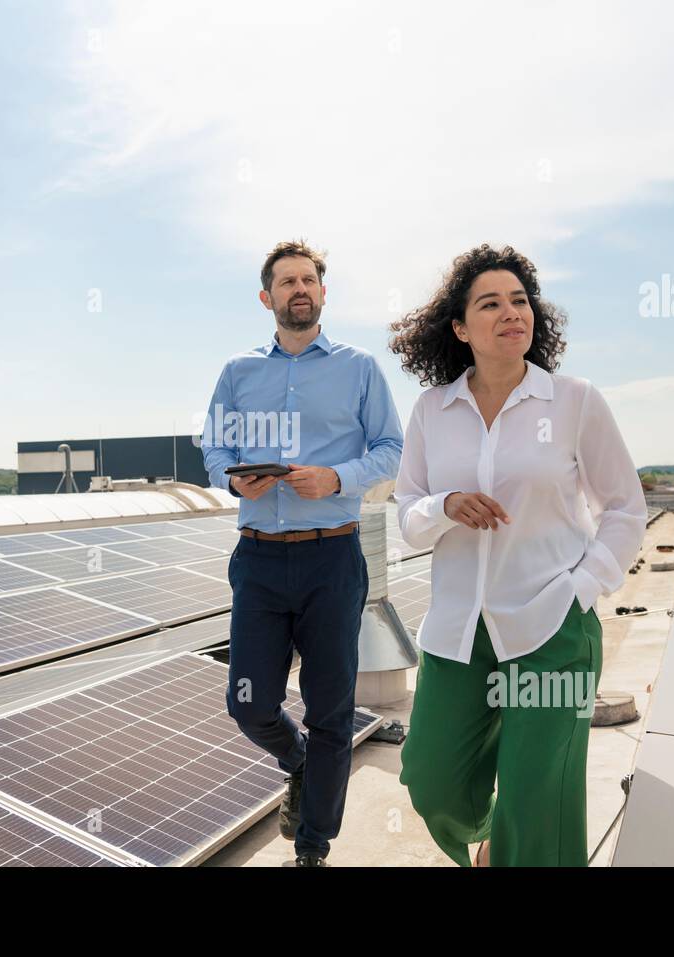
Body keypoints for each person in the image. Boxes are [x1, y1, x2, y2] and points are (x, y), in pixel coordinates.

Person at [389, 243, 646, 867]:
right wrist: (445, 505)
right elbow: (406, 517)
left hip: (551, 625)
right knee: (431, 783)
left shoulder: (575, 401)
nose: (512, 313)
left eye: (521, 301)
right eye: (491, 303)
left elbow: (625, 510)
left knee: (538, 799)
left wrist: (582, 588)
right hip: (457, 631)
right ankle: (486, 843)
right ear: (459, 327)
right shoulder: (432, 410)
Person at [200, 239, 404, 867]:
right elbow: (212, 453)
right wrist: (235, 480)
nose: (298, 289)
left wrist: (336, 479)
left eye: (308, 280)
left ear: (322, 292)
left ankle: (313, 847)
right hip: (258, 559)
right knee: (249, 701)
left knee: (331, 710)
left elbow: (391, 448)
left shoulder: (360, 368)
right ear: (268, 298)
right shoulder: (238, 373)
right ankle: (297, 761)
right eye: (286, 281)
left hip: (331, 559)